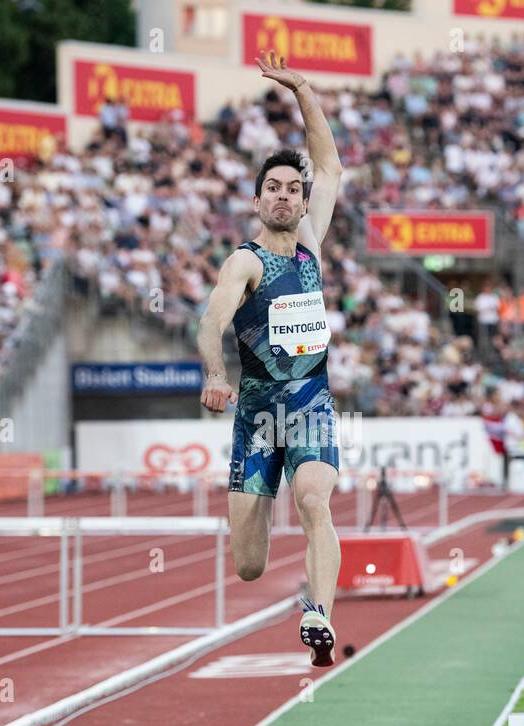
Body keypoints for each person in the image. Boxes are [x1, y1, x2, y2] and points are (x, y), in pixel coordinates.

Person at [198, 51, 345, 667]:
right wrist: (214, 372)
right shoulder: (245, 262)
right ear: (258, 200)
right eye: (273, 190)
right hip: (257, 416)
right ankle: (290, 577)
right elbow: (212, 323)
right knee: (250, 566)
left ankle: (320, 616)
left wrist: (302, 89)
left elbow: (329, 159)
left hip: (310, 407)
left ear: (301, 200)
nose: (284, 197)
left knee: (315, 500)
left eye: (293, 189)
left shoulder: (311, 243)